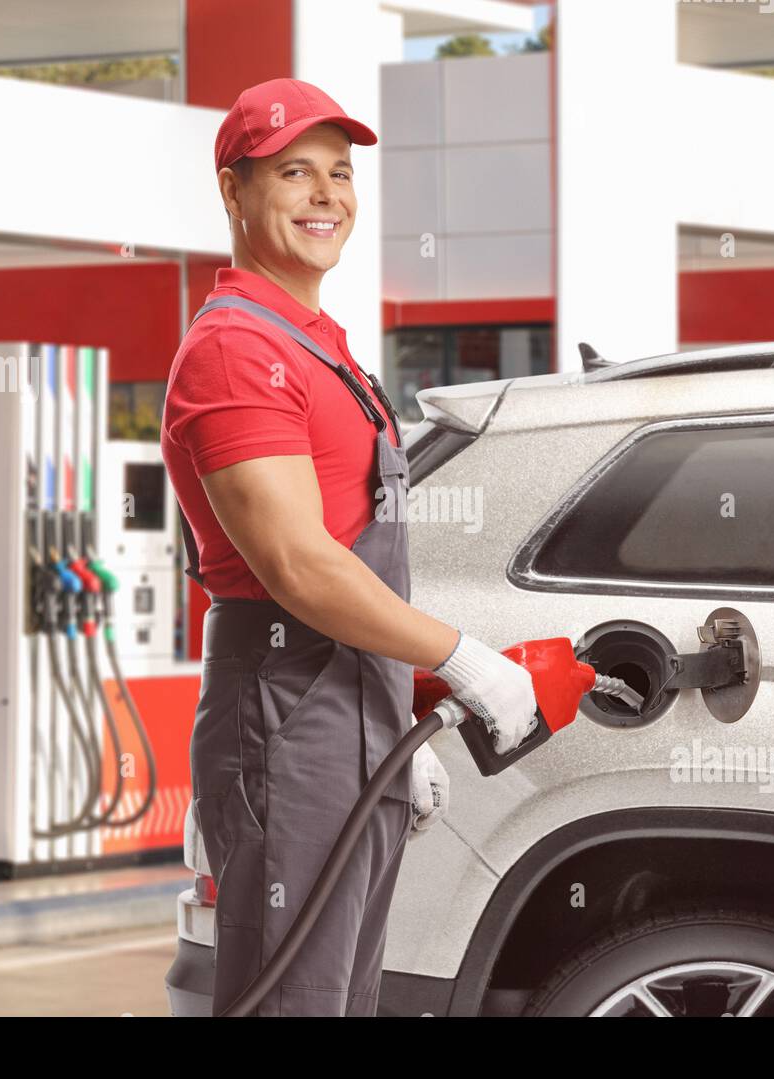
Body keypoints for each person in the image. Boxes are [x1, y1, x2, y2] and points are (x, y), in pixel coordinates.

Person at [160, 77, 537, 1017]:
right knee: (294, 1000)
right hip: (286, 716)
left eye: (340, 172)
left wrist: (394, 712)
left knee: (339, 998)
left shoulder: (320, 343)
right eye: (295, 171)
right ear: (234, 190)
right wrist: (460, 658)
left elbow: (343, 544)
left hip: (344, 708)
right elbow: (297, 563)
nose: (327, 194)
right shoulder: (237, 350)